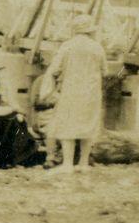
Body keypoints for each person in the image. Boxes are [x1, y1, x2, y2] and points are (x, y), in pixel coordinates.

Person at [43, 14, 107, 173]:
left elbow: (55, 69)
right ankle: (83, 163)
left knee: (67, 124)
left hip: (71, 90)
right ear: (90, 30)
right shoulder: (97, 47)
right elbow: (105, 71)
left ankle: (68, 164)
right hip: (91, 92)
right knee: (88, 125)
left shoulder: (67, 46)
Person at [0, 56, 41, 168]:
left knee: (19, 120)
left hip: (4, 113)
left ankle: (22, 156)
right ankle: (7, 158)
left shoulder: (3, 84)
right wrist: (14, 110)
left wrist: (19, 111)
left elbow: (12, 101)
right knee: (12, 122)